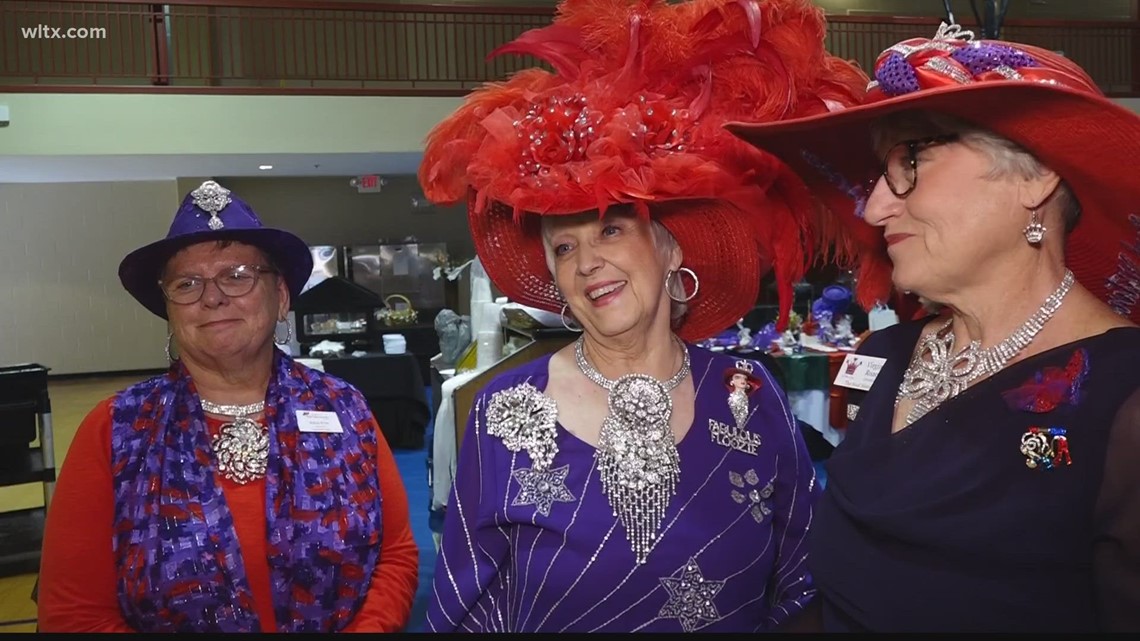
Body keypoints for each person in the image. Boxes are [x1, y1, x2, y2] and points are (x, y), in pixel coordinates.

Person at [415, 0, 872, 632]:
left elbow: (801, 574)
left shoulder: (749, 392)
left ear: (669, 248)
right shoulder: (504, 409)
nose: (587, 263)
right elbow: (465, 603)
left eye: (611, 229)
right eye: (564, 247)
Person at [728, 21, 1140, 632]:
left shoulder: (1125, 404)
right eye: (878, 173)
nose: (872, 207)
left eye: (912, 159)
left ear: (1034, 176)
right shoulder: (889, 352)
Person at [36, 180, 420, 632]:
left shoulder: (344, 407)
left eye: (237, 275)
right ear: (170, 310)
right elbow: (74, 612)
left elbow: (395, 555)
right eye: (186, 283)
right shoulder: (116, 428)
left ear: (279, 298)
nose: (212, 297)